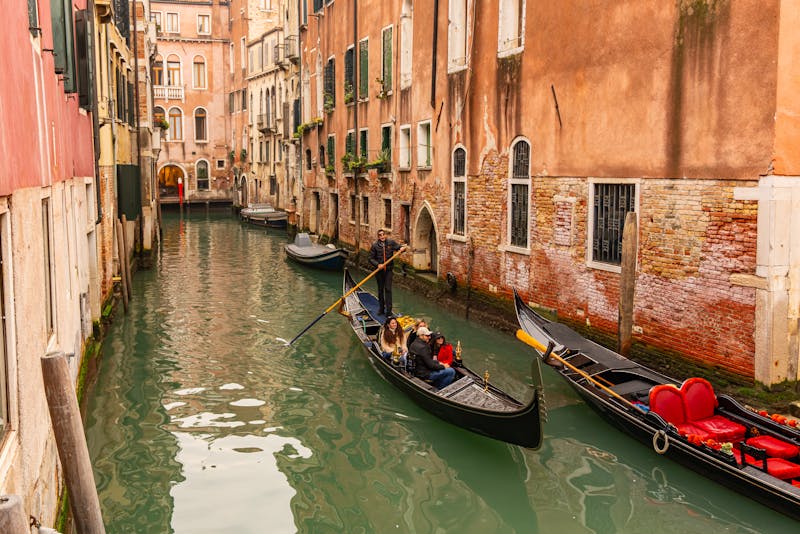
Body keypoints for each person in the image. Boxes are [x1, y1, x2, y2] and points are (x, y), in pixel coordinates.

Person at [368, 229, 407, 316]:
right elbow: (370, 258)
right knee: (380, 290)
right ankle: (381, 309)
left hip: (389, 270)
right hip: (379, 271)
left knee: (388, 290)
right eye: (380, 235)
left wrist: (402, 248)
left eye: (383, 234)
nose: (382, 236)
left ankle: (389, 311)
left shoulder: (391, 243)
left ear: (385, 235)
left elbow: (399, 247)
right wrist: (378, 264)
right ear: (378, 237)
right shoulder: (374, 246)